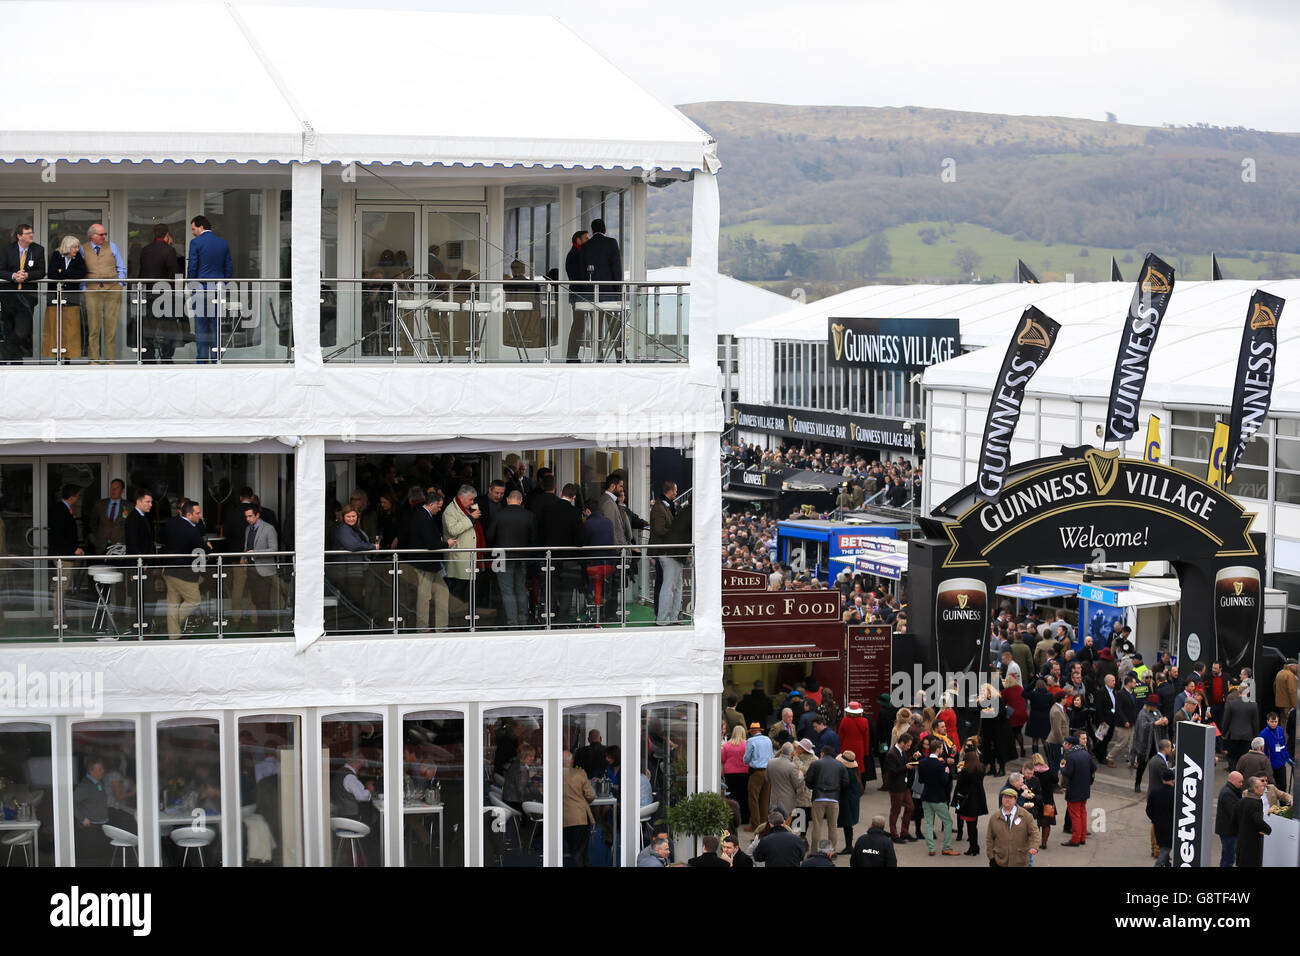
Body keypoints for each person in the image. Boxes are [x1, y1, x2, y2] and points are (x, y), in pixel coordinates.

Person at [186, 215, 233, 364]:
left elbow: (192, 267)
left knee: (201, 327)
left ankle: (201, 360)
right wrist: (222, 284)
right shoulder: (223, 243)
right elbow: (229, 268)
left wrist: (191, 285)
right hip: (217, 290)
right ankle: (215, 359)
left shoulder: (195, 243)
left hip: (200, 289)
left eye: (193, 229)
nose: (193, 232)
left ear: (201, 227)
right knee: (215, 326)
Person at [486, 489, 535, 627]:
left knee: (507, 590)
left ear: (507, 500)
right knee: (520, 588)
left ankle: (512, 622)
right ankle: (523, 620)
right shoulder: (529, 515)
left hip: (501, 555)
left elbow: (489, 536)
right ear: (520, 501)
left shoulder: (498, 514)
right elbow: (533, 538)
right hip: (522, 556)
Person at [162, 498, 210, 639]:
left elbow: (162, 539)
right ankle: (174, 626)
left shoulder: (170, 524)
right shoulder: (191, 529)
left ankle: (174, 635)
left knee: (172, 603)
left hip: (167, 569)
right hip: (184, 572)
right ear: (188, 515)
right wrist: (208, 548)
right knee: (194, 600)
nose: (199, 516)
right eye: (197, 513)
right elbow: (203, 548)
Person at [408, 490, 455, 631]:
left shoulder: (422, 515)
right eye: (439, 507)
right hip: (424, 564)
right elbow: (431, 544)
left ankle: (441, 627)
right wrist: (447, 544)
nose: (440, 509)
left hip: (430, 564)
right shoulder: (423, 517)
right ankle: (423, 628)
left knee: (442, 592)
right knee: (424, 596)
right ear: (432, 504)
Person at [137, 223, 184, 362]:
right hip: (165, 293)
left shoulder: (145, 250)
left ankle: (148, 356)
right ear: (167, 234)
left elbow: (142, 272)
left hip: (149, 292)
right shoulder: (169, 250)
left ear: (154, 234)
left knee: (149, 326)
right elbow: (174, 273)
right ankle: (166, 355)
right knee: (169, 327)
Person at [82, 223, 126, 362]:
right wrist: (84, 288)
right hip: (92, 290)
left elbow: (121, 267)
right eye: (101, 234)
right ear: (92, 235)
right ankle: (93, 359)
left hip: (112, 289)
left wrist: (120, 283)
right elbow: (79, 270)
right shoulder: (83, 249)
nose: (104, 237)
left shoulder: (112, 246)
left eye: (104, 234)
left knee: (111, 327)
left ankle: (110, 359)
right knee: (93, 327)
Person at [0, 223, 45, 361]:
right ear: (19, 236)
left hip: (27, 297)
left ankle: (5, 354)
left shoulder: (38, 250)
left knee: (22, 332)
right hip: (8, 296)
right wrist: (14, 276)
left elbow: (41, 271)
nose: (31, 235)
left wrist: (27, 276)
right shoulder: (7, 250)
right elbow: (1, 270)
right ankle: (15, 361)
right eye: (27, 233)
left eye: (31, 232)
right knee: (9, 330)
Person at [580, 218, 623, 359]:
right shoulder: (611, 243)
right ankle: (620, 355)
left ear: (592, 230)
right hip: (609, 291)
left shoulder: (586, 246)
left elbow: (583, 271)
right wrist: (618, 290)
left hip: (593, 292)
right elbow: (616, 269)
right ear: (605, 230)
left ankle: (598, 355)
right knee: (614, 327)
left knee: (596, 327)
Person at [46, 235, 86, 360]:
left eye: (78, 247)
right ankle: (55, 356)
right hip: (55, 297)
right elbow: (52, 273)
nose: (77, 249)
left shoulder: (78, 257)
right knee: (55, 325)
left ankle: (69, 356)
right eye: (75, 247)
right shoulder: (57, 255)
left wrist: (61, 272)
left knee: (71, 327)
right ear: (68, 247)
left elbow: (81, 273)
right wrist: (66, 274)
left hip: (72, 297)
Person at [240, 504, 280, 629]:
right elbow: (247, 547)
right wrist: (243, 557)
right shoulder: (248, 529)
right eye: (246, 516)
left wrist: (255, 553)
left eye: (250, 516)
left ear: (258, 515)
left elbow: (274, 550)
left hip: (265, 571)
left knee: (264, 601)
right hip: (251, 570)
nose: (248, 519)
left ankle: (267, 627)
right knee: (256, 600)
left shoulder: (269, 528)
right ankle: (263, 627)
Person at [441, 484, 482, 604]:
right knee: (458, 592)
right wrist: (470, 518)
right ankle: (456, 618)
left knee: (469, 591)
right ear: (461, 498)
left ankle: (467, 616)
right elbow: (452, 530)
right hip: (458, 557)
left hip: (468, 557)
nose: (473, 502)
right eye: (470, 499)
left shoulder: (467, 509)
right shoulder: (450, 510)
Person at [917, 740, 958, 856]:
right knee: (948, 822)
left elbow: (920, 780)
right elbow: (944, 782)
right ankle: (946, 847)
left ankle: (931, 848)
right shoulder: (941, 765)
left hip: (926, 796)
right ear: (938, 750)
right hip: (938, 798)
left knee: (929, 823)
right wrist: (946, 772)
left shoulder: (923, 762)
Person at [803, 743, 847, 852]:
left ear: (822, 754)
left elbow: (808, 780)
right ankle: (831, 852)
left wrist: (814, 787)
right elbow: (846, 782)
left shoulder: (816, 764)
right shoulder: (840, 765)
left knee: (817, 826)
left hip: (818, 798)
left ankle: (814, 851)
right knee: (833, 827)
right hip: (834, 799)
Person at [986, 786, 1039, 867]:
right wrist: (991, 857)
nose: (1007, 799)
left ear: (1015, 800)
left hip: (1020, 861)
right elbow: (989, 839)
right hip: (1000, 861)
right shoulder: (994, 817)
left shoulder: (1026, 816)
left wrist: (1034, 846)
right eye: (1005, 797)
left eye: (1010, 797)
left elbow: (1034, 833)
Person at [1059, 735, 1097, 846]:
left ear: (1070, 745)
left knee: (1075, 815)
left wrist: (1062, 768)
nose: (1064, 745)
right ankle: (1082, 837)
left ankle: (1075, 839)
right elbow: (1094, 768)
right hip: (1085, 789)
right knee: (1082, 813)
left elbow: (1068, 772)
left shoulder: (1071, 756)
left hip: (1074, 789)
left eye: (1066, 743)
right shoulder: (1086, 754)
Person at [561, 750, 595, 867]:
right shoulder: (580, 773)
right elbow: (591, 795)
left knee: (572, 849)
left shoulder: (553, 774)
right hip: (580, 817)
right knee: (579, 852)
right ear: (571, 761)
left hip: (563, 818)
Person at [952, 744, 988, 856]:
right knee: (974, 825)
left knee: (970, 826)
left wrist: (958, 771)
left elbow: (960, 786)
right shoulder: (981, 768)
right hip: (978, 799)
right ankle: (974, 847)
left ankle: (973, 847)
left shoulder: (965, 771)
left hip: (967, 801)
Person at [563, 228, 589, 361]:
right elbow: (577, 275)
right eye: (586, 239)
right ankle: (572, 354)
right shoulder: (575, 254)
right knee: (578, 325)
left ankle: (572, 354)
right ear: (578, 240)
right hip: (579, 294)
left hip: (577, 294)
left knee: (578, 325)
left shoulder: (575, 253)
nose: (588, 241)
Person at [1237, 775, 1273, 868]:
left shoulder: (1242, 801)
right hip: (1252, 843)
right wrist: (1268, 829)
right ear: (1255, 789)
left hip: (1241, 841)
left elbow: (1234, 818)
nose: (1264, 788)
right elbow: (1258, 821)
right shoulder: (1256, 804)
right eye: (1261, 786)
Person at [742, 722, 773, 829]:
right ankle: (764, 824)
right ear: (760, 730)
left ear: (752, 731)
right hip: (768, 771)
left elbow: (746, 759)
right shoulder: (768, 740)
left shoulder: (751, 741)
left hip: (756, 772)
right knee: (765, 799)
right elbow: (772, 755)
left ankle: (755, 824)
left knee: (753, 798)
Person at [88, 478, 128, 555]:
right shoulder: (99, 504)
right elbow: (93, 522)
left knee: (117, 566)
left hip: (119, 546)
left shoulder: (129, 506)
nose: (113, 490)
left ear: (122, 490)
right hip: (101, 545)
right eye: (112, 487)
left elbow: (131, 526)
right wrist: (96, 536)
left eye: (116, 488)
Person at [1146, 766, 1176, 866]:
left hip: (1157, 826)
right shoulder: (1174, 795)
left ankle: (1167, 864)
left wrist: (1155, 819)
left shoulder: (1154, 792)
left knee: (1163, 846)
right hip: (1170, 827)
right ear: (1172, 780)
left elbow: (1148, 810)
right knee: (1165, 849)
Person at [838, 701, 872, 784]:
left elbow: (840, 736)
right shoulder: (864, 721)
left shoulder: (844, 720)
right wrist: (866, 751)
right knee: (858, 765)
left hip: (846, 745)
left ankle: (845, 781)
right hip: (859, 746)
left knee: (845, 763)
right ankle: (858, 783)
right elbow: (866, 738)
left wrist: (840, 746)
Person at [721, 726, 751, 822]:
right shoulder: (747, 745)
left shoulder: (726, 745)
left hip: (730, 773)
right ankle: (745, 818)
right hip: (744, 773)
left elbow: (722, 759)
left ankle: (732, 818)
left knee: (732, 795)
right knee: (744, 796)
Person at [1216, 771, 1244, 868]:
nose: (1242, 784)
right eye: (1240, 782)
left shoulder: (1231, 790)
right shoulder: (1228, 793)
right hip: (1228, 831)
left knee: (1228, 856)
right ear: (1232, 780)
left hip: (1229, 830)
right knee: (1228, 858)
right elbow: (1234, 812)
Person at [48, 483, 84, 557]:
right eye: (77, 496)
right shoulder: (59, 510)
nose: (78, 498)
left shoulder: (64, 508)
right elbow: (58, 534)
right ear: (71, 497)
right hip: (63, 555)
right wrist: (73, 549)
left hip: (67, 553)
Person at [837, 750, 862, 850]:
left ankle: (848, 846)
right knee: (848, 824)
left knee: (847, 824)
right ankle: (849, 846)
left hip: (847, 800)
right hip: (852, 800)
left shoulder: (847, 773)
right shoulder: (854, 772)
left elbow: (842, 786)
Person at [1261, 711, 1289, 791]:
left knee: (1283, 786)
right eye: (1272, 722)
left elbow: (1283, 745)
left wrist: (1286, 757)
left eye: (1275, 721)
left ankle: (1283, 803)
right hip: (1270, 764)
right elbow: (1262, 750)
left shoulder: (1280, 730)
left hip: (1281, 762)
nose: (1274, 724)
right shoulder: (1263, 734)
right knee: (1271, 787)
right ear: (1267, 721)